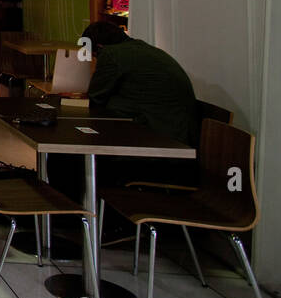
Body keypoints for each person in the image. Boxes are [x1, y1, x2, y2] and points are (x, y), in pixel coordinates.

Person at [81, 21, 201, 188]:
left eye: (94, 55)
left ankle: (78, 209)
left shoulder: (111, 55)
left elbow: (95, 98)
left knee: (76, 161)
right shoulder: (143, 50)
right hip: (180, 138)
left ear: (99, 47)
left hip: (161, 147)